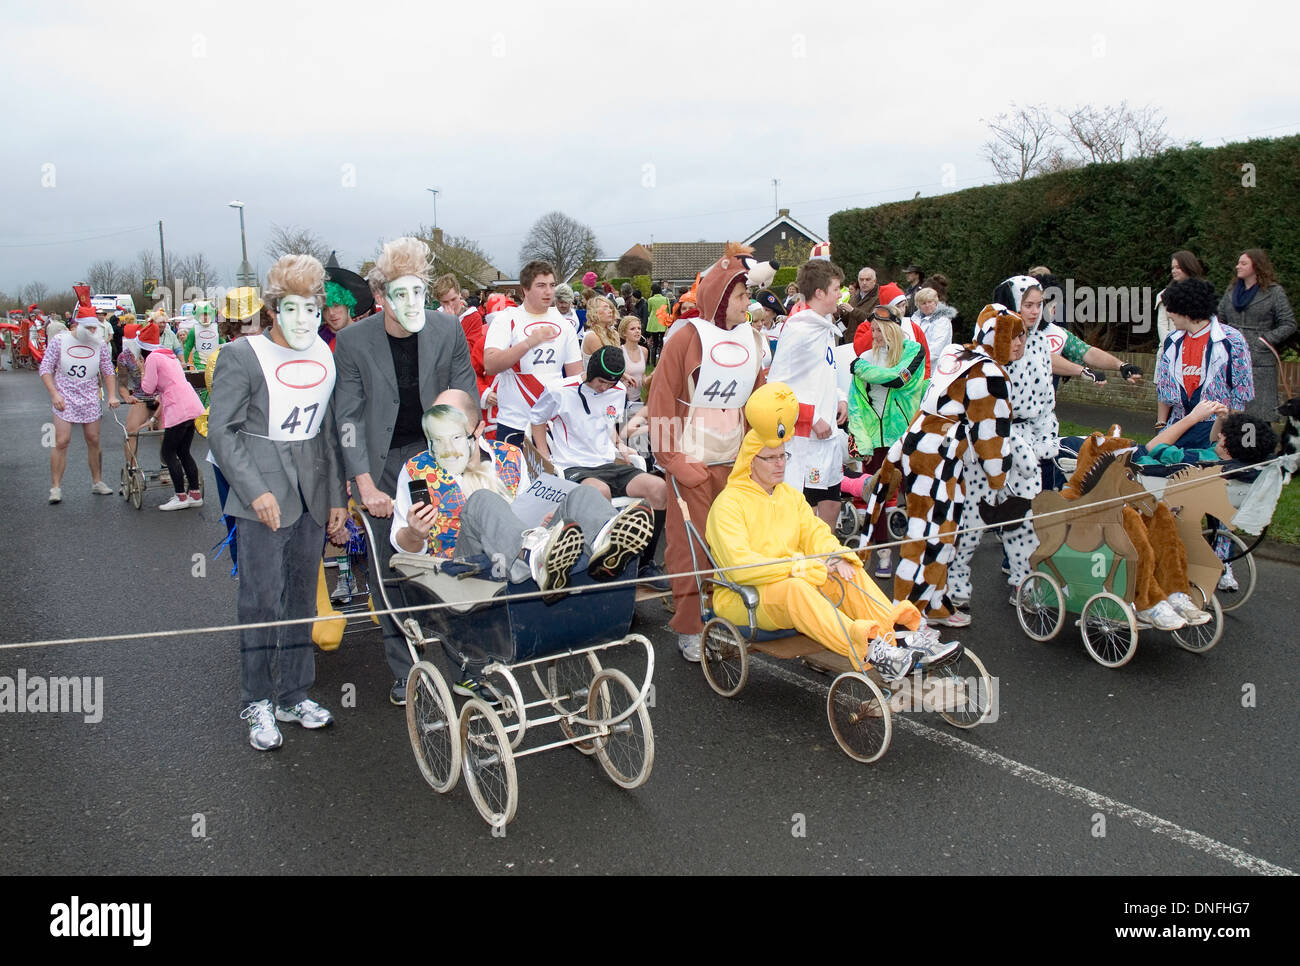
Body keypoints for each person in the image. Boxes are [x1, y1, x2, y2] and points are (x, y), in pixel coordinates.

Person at [391, 397, 653, 692]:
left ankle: (607, 548)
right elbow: (403, 548)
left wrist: (545, 519)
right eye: (434, 437)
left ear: (477, 431)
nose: (443, 447)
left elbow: (532, 502)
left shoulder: (510, 455)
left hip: (527, 554)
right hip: (464, 572)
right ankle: (537, 557)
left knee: (583, 494)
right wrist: (415, 533)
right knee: (482, 501)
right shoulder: (416, 470)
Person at [705, 383, 956, 681]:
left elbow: (816, 535)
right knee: (797, 587)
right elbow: (742, 567)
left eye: (783, 456)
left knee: (844, 569)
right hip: (743, 599)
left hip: (793, 583)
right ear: (749, 462)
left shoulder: (789, 496)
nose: (779, 464)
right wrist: (804, 567)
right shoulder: (728, 504)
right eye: (770, 458)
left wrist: (836, 556)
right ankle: (872, 648)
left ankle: (900, 632)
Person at [208, 253, 350, 751]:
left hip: (312, 495)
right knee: (260, 602)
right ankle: (257, 699)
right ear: (273, 310)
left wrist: (337, 500)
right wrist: (255, 489)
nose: (305, 318)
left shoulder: (324, 355)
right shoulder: (241, 355)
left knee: (299, 600)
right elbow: (222, 432)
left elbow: (328, 432)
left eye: (312, 308)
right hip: (260, 498)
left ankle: (292, 694)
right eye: (293, 308)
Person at [333, 236, 479, 706]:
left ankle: (464, 661)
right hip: (381, 462)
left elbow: (466, 397)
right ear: (379, 297)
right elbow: (348, 419)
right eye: (400, 293)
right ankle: (406, 667)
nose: (412, 302)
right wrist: (363, 484)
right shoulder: (354, 342)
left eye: (419, 291)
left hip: (434, 455)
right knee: (391, 567)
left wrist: (464, 454)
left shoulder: (447, 329)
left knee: (452, 555)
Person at [648, 243, 767, 661]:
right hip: (692, 462)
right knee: (690, 548)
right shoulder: (684, 340)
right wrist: (674, 461)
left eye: (747, 295)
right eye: (740, 295)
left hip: (735, 462)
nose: (747, 302)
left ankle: (725, 616)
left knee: (730, 546)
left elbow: (758, 400)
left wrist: (762, 451)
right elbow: (660, 401)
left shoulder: (752, 339)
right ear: (720, 298)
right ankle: (691, 625)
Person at [867, 305, 1023, 625]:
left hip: (928, 446)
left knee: (945, 531)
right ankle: (905, 618)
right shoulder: (990, 373)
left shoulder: (957, 352)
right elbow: (992, 436)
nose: (1021, 342)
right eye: (1016, 336)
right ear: (1000, 336)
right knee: (929, 536)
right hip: (936, 456)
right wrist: (999, 480)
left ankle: (934, 601)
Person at [529, 346, 668, 588]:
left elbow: (607, 423)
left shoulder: (618, 390)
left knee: (658, 487)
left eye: (610, 382)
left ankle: (644, 565)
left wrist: (620, 446)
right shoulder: (559, 390)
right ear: (590, 372)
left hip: (608, 462)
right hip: (573, 465)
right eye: (601, 381)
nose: (605, 388)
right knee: (599, 491)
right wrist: (543, 453)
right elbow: (537, 419)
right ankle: (605, 565)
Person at [843, 304, 928, 578]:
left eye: (880, 330)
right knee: (876, 496)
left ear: (894, 328)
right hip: (875, 441)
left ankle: (922, 554)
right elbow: (856, 404)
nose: (876, 335)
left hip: (907, 437)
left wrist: (861, 369)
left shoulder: (913, 352)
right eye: (874, 330)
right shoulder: (866, 356)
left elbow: (899, 380)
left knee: (915, 495)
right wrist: (863, 443)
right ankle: (881, 554)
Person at [766, 258, 849, 527]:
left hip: (828, 437)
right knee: (806, 514)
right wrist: (812, 418)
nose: (840, 294)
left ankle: (823, 561)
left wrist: (840, 397)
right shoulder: (799, 330)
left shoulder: (824, 327)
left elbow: (824, 373)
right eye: (836, 288)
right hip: (806, 440)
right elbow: (777, 387)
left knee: (833, 505)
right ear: (820, 293)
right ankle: (805, 565)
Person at [483, 260, 583, 447]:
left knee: (555, 476)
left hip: (552, 424)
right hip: (515, 424)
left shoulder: (564, 324)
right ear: (525, 290)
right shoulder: (507, 319)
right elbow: (490, 365)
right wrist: (529, 343)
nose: (548, 291)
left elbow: (575, 377)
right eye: (541, 286)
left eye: (552, 285)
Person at [40, 288, 121, 503]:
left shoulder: (100, 345)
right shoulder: (60, 341)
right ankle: (55, 487)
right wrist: (54, 394)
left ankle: (98, 481)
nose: (94, 331)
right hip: (65, 396)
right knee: (62, 440)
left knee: (93, 439)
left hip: (89, 396)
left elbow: (108, 371)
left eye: (96, 327)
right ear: (78, 325)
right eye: (90, 327)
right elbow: (45, 368)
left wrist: (112, 395)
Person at [1155, 278, 1253, 449]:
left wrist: (1229, 434)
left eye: (1171, 309)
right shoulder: (1171, 341)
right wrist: (1161, 425)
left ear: (1186, 309)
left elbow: (1241, 392)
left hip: (1214, 429)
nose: (1168, 314)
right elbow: (1163, 391)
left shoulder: (1231, 340)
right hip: (1177, 425)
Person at [1216, 248, 1297, 420]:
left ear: (1257, 266)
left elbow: (1289, 324)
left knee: (1257, 417)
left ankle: (1256, 447)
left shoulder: (1274, 292)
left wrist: (1265, 340)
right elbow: (1219, 319)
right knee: (1229, 417)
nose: (1238, 266)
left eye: (1243, 263)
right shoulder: (1231, 291)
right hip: (1231, 357)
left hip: (1260, 361)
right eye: (1238, 263)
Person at [138, 321, 206, 509]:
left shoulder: (152, 358)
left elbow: (148, 388)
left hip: (177, 407)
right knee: (184, 452)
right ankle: (195, 494)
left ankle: (181, 497)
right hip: (190, 403)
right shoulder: (169, 356)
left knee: (168, 453)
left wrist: (143, 370)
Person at [319, 255, 374, 351]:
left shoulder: (367, 336)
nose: (331, 313)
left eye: (336, 305)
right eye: (325, 308)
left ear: (348, 305)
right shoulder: (315, 340)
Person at [1154, 250, 1207, 345]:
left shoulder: (1203, 292)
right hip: (1171, 348)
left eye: (1178, 267)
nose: (1174, 271)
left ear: (1188, 267)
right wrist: (1172, 345)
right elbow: (1162, 325)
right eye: (1172, 268)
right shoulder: (1165, 295)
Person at [910, 286, 955, 361]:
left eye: (930, 302)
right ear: (918, 305)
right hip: (916, 362)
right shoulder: (914, 318)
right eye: (923, 303)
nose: (927, 305)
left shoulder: (942, 321)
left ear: (935, 302)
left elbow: (936, 349)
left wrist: (916, 360)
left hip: (934, 365)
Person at [581, 294, 620, 367]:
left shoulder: (614, 334)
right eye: (605, 308)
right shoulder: (591, 336)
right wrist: (625, 375)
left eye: (610, 308)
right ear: (594, 312)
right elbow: (608, 364)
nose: (610, 311)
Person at [182, 301, 222, 370]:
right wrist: (185, 363)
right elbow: (188, 348)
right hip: (199, 364)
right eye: (202, 315)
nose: (205, 317)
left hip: (216, 363)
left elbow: (223, 344)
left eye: (207, 315)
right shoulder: (193, 330)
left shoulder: (217, 328)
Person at [620, 314, 648, 396]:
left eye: (639, 328)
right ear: (624, 333)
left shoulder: (644, 351)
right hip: (621, 399)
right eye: (632, 329)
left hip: (637, 399)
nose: (637, 331)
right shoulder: (619, 351)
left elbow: (642, 375)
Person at [644, 281, 669, 366]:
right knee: (662, 343)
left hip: (654, 323)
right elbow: (668, 310)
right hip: (663, 322)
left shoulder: (650, 300)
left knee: (654, 344)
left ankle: (653, 363)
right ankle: (661, 362)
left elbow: (649, 310)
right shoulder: (665, 299)